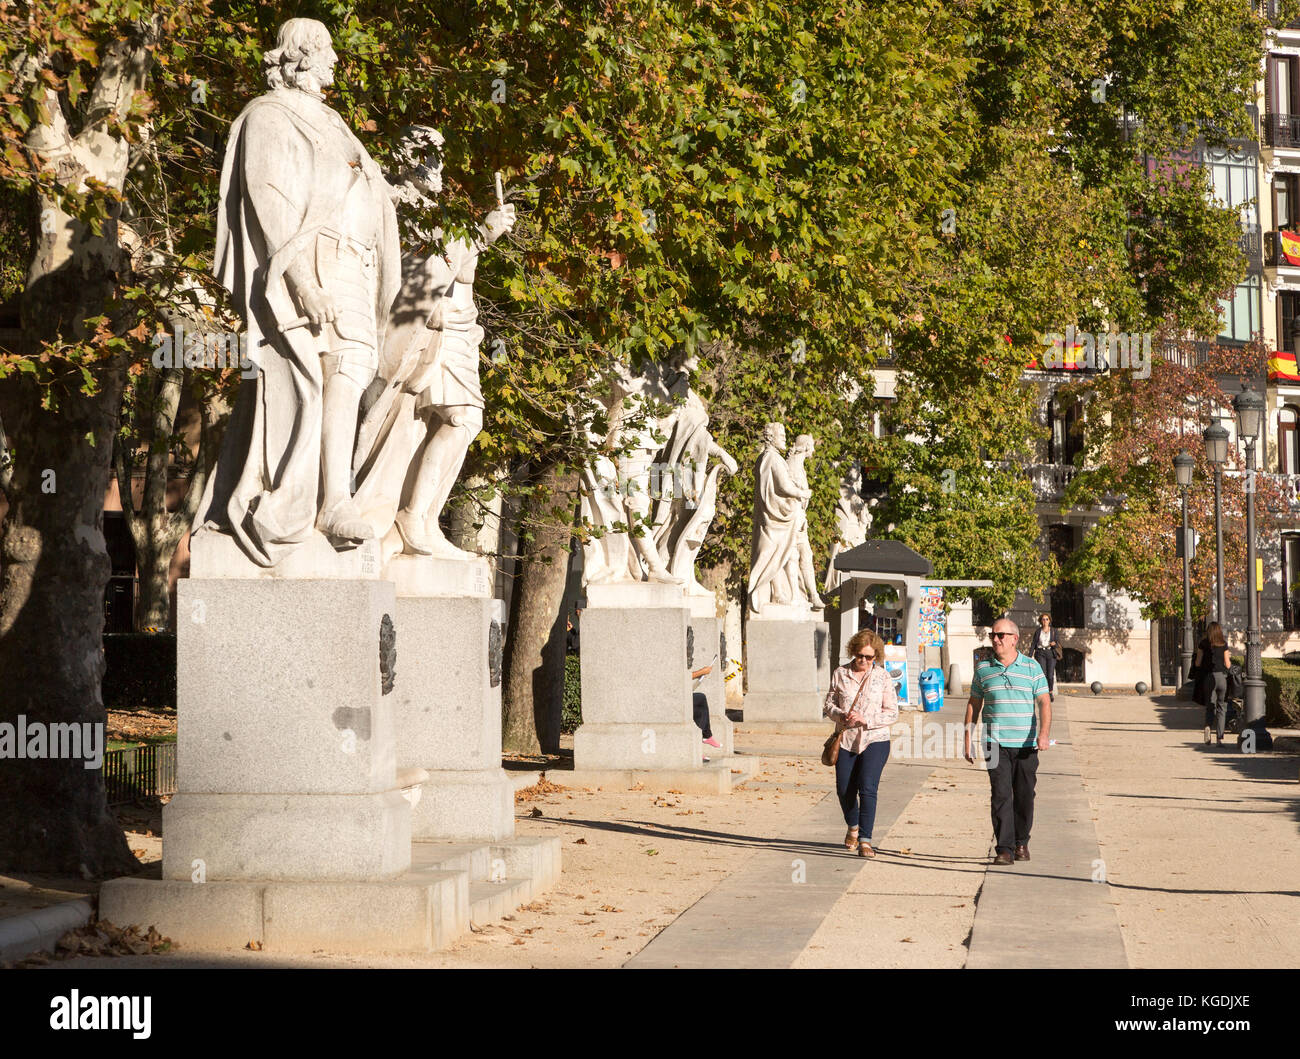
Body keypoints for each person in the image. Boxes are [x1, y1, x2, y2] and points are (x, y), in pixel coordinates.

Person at [963, 618, 1052, 866]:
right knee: (1001, 794)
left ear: (1014, 638)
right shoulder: (983, 669)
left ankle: (1021, 842)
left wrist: (1043, 734)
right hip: (994, 742)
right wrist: (968, 736)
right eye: (993, 635)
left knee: (1024, 795)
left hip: (1026, 744)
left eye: (1001, 635)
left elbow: (1044, 702)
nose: (996, 639)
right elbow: (974, 703)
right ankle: (1004, 848)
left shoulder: (1032, 668)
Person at [823, 629, 898, 858]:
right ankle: (853, 826)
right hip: (845, 739)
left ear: (876, 657)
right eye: (859, 656)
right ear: (853, 653)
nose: (863, 661)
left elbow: (892, 712)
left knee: (867, 788)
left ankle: (866, 839)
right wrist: (840, 715)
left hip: (875, 739)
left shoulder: (882, 677)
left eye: (869, 657)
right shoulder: (840, 673)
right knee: (844, 789)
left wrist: (867, 720)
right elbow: (828, 704)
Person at [1194, 622, 1232, 747]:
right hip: (1222, 678)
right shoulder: (1223, 644)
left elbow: (1198, 664)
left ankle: (1207, 727)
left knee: (1210, 706)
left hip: (1209, 678)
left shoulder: (1203, 644)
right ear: (1219, 631)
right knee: (1222, 708)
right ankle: (1219, 739)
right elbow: (1228, 665)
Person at [1030, 612, 1059, 701]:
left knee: (1050, 675)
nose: (1045, 621)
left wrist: (1054, 644)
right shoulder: (1038, 631)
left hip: (1050, 652)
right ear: (1041, 621)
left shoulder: (1054, 631)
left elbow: (1058, 643)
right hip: (1040, 653)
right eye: (1043, 619)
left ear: (1049, 621)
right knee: (1043, 674)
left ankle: (1050, 691)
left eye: (1047, 619)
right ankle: (1043, 692)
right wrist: (1030, 655)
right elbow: (1034, 643)